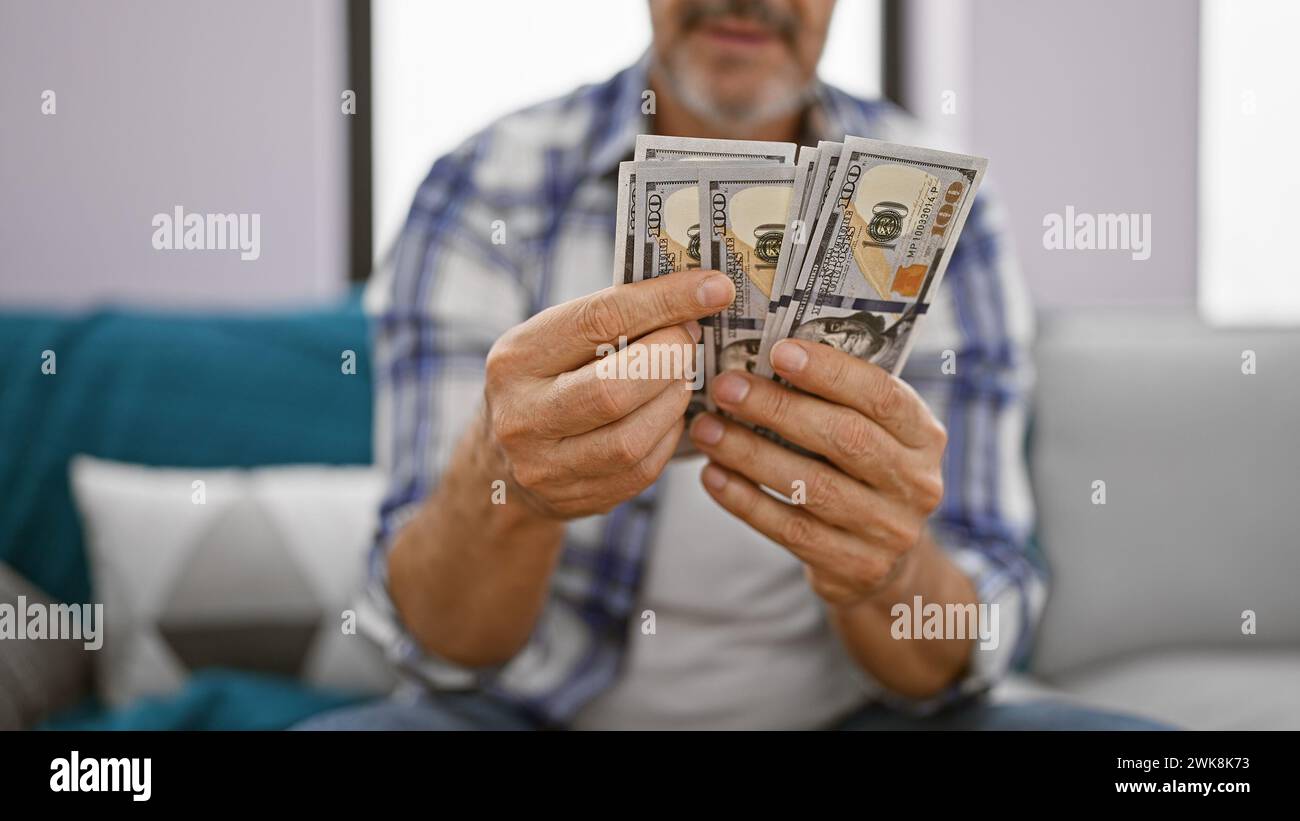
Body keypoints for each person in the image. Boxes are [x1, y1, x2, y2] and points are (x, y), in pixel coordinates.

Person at [301, 0, 1166, 730]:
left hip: (856, 715)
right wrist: (505, 482)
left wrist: (891, 567)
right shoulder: (484, 187)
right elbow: (435, 639)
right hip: (532, 715)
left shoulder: (941, 214)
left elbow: (960, 647)